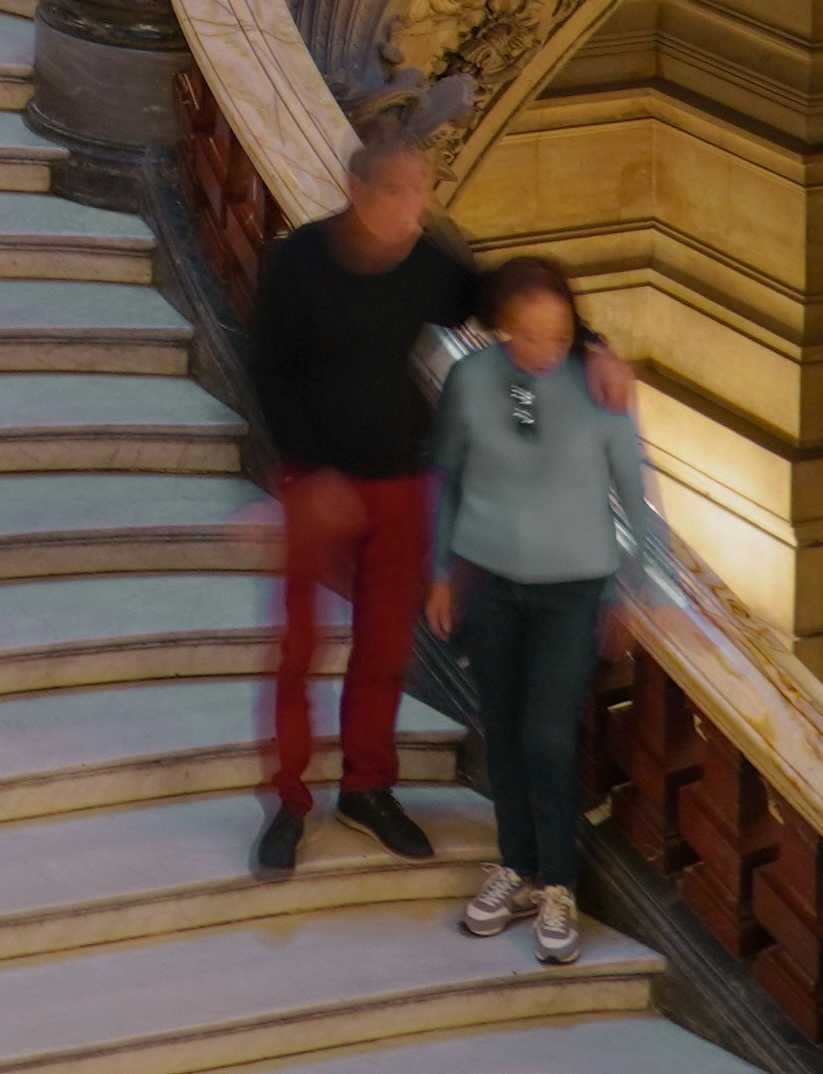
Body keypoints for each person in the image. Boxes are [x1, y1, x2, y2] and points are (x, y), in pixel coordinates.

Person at [248, 128, 481, 877]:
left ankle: (367, 789)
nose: (414, 210)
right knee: (299, 647)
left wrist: (592, 346)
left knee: (385, 650)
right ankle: (288, 800)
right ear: (357, 190)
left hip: (400, 482)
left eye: (422, 194)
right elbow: (271, 371)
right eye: (398, 193)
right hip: (316, 485)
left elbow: (500, 298)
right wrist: (309, 474)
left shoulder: (425, 266)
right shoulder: (301, 263)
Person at [427, 254, 656, 969]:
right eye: (529, 336)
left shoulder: (598, 387)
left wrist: (636, 587)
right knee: (502, 727)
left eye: (558, 337)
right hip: (491, 582)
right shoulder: (472, 380)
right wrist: (440, 574)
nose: (544, 352)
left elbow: (636, 492)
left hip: (572, 590)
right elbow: (448, 475)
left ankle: (559, 883)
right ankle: (515, 868)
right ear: (502, 330)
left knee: (549, 737)